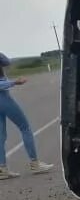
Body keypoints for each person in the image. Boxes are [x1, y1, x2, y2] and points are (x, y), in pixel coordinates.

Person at [0, 52, 54, 180]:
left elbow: (7, 62)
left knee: (1, 136)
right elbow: (6, 63)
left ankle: (2, 169)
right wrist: (14, 82)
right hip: (3, 99)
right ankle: (34, 163)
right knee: (25, 127)